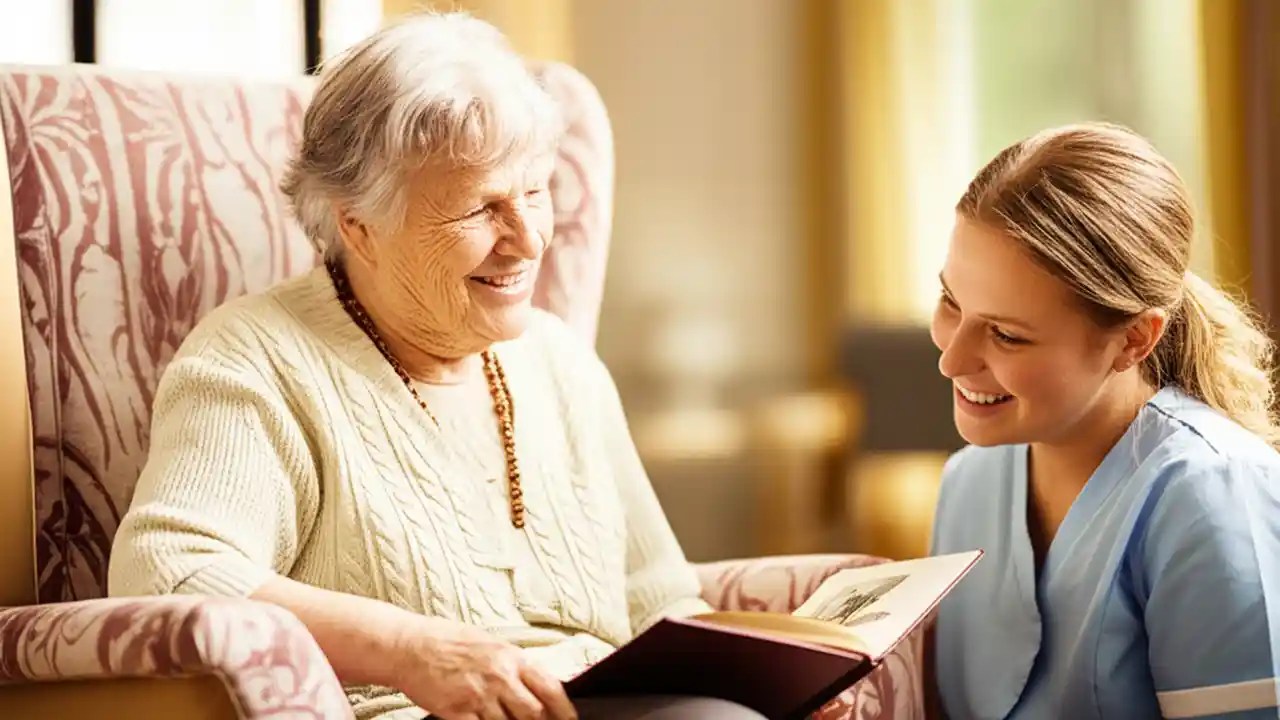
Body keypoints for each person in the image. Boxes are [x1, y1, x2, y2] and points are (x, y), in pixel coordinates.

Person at [107, 12, 766, 720]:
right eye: (483, 208)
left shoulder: (561, 363)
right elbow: (168, 573)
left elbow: (661, 601)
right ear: (360, 225)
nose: (529, 239)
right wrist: (406, 649)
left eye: (536, 191)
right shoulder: (258, 361)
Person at [927, 121, 1280, 719]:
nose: (951, 359)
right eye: (950, 302)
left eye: (1007, 335)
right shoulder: (968, 482)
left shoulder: (1210, 495)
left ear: (1133, 340)